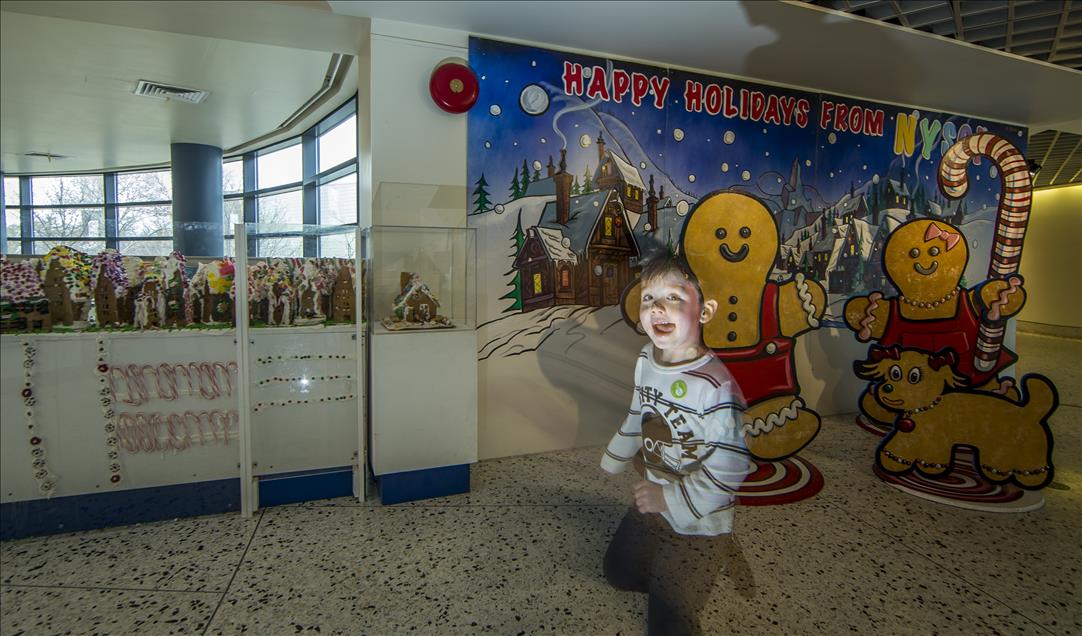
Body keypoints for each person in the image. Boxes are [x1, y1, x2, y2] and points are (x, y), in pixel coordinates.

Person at [601, 252, 752, 635]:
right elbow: (638, 414)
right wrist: (615, 456)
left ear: (705, 311)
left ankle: (708, 556)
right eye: (649, 298)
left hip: (700, 520)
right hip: (654, 501)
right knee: (618, 573)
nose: (657, 308)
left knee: (669, 626)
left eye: (673, 297)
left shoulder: (716, 387)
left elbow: (731, 468)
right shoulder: (646, 360)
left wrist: (669, 499)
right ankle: (670, 569)